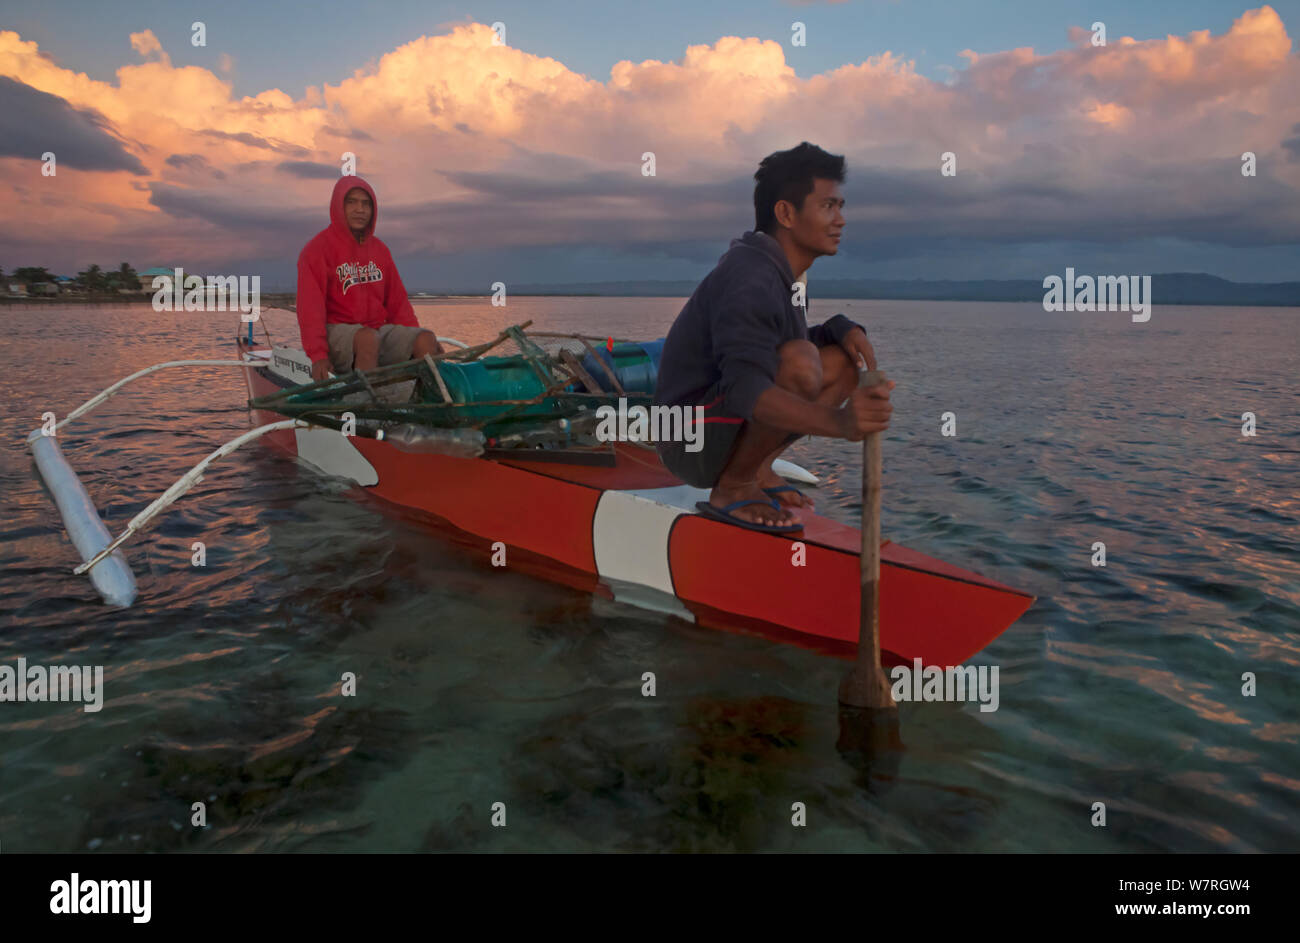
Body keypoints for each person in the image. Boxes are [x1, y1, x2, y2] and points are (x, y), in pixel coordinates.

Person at [654, 142, 894, 533]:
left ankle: (758, 470)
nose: (841, 220)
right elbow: (745, 391)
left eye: (841, 206)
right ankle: (734, 487)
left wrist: (837, 327)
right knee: (801, 360)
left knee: (839, 361)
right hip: (685, 437)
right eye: (828, 206)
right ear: (785, 212)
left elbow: (768, 345)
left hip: (714, 424)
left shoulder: (778, 272)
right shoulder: (751, 276)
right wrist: (842, 422)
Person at [296, 175, 441, 383]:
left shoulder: (380, 250)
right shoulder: (316, 251)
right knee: (367, 339)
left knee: (425, 339)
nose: (359, 209)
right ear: (338, 206)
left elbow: (398, 303)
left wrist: (423, 340)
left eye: (366, 204)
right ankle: (364, 407)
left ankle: (432, 404)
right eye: (351, 202)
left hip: (375, 329)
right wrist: (318, 355)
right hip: (336, 331)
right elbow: (310, 310)